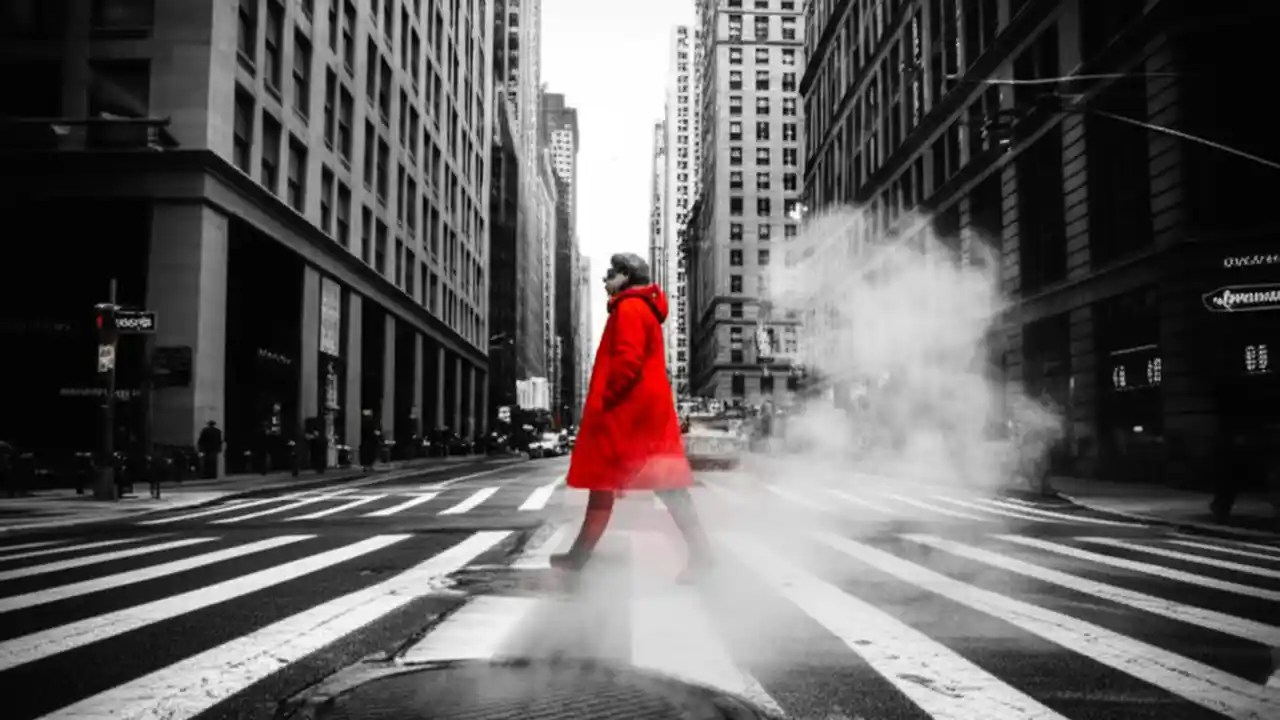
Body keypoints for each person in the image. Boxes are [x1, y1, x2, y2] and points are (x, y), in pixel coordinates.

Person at [552, 252, 713, 583]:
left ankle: (703, 556)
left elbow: (626, 362)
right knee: (607, 485)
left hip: (632, 417)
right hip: (639, 414)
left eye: (611, 272)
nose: (605, 278)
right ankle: (578, 556)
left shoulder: (629, 308)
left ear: (625, 276)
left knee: (664, 487)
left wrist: (608, 400)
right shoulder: (639, 308)